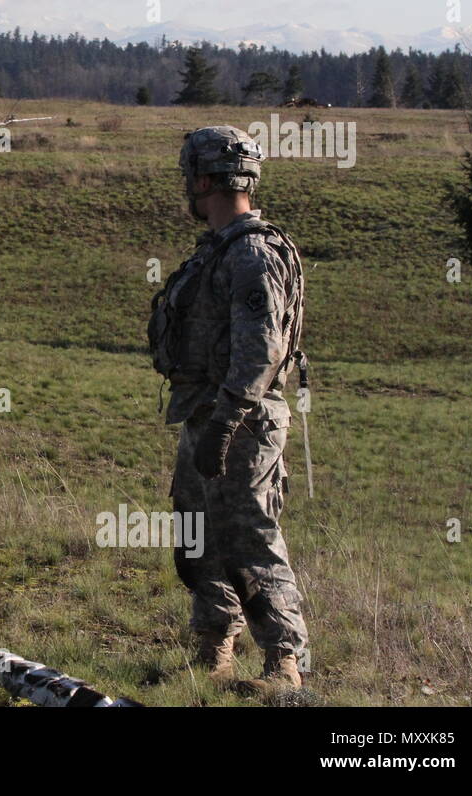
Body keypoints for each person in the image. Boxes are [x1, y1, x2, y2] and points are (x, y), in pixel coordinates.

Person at [147, 126, 309, 696]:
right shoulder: (218, 247)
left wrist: (225, 422)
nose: (186, 189)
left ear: (206, 179)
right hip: (203, 414)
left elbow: (259, 352)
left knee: (248, 535)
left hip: (241, 420)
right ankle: (215, 642)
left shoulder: (252, 254)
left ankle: (284, 663)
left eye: (190, 177)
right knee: (197, 534)